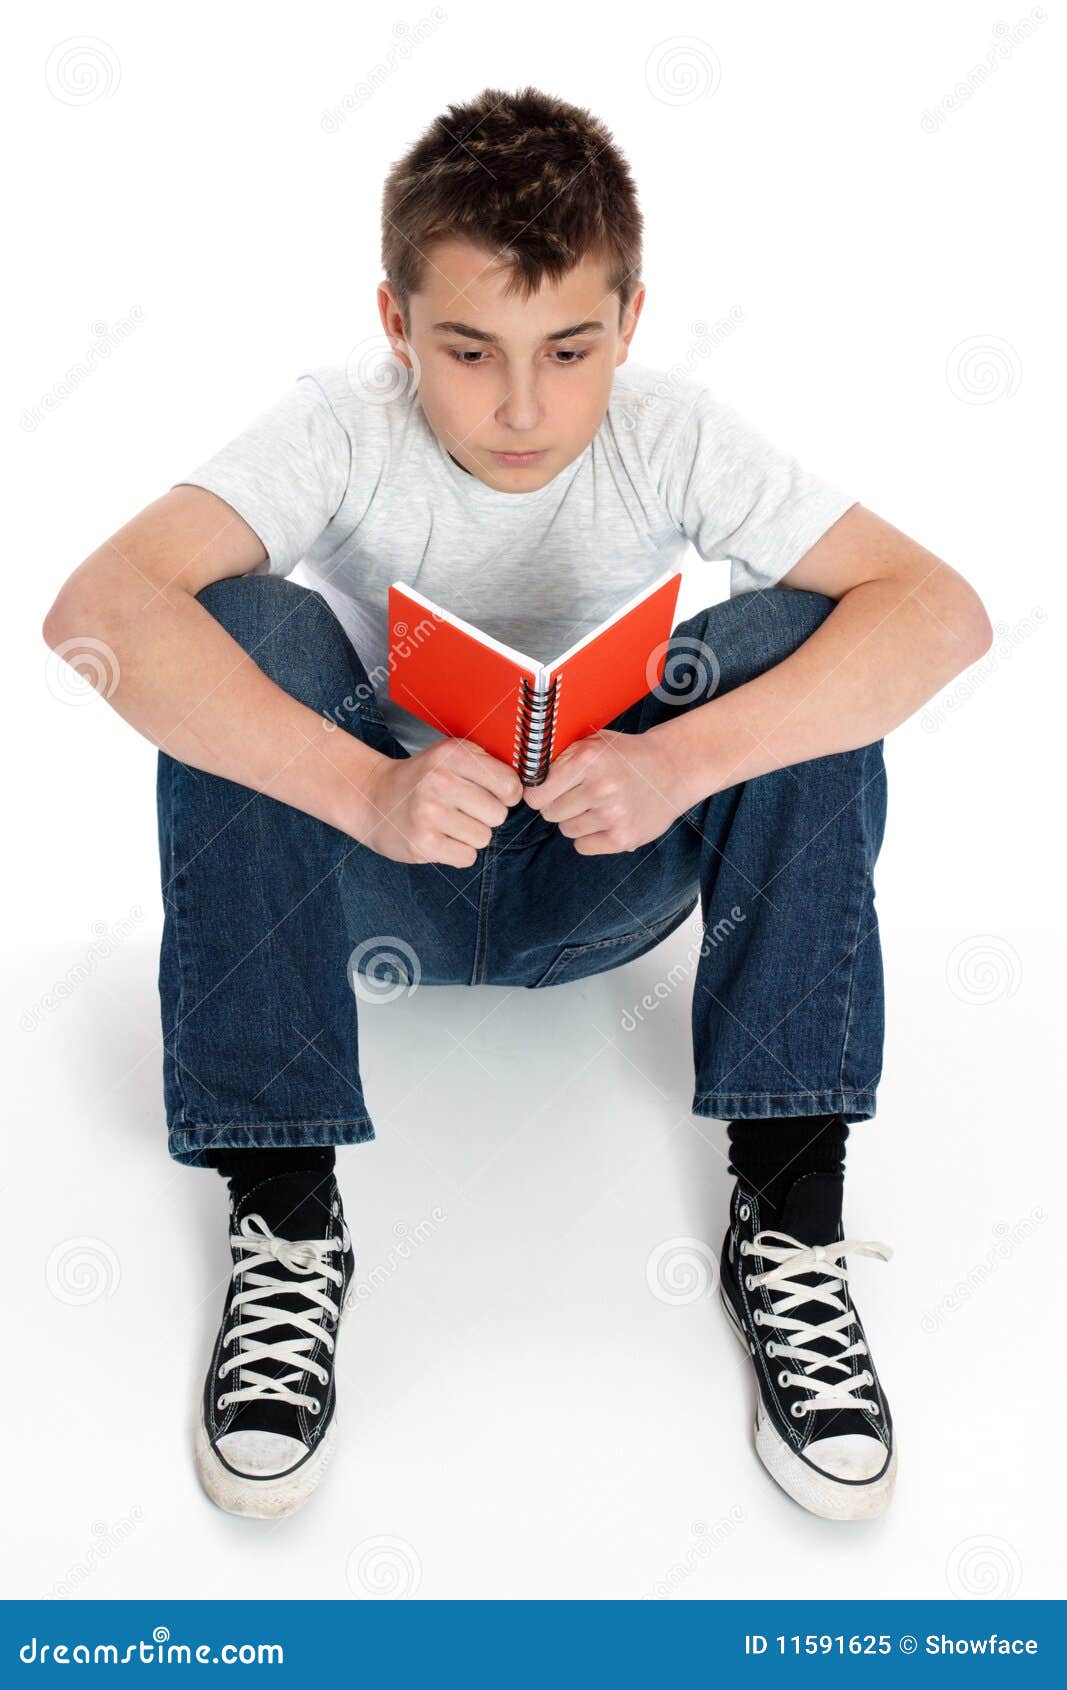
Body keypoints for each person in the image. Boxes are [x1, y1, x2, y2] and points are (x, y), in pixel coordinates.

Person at [43, 85, 992, 1525]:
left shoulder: (672, 433)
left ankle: (788, 1215)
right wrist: (368, 788)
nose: (523, 408)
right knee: (245, 628)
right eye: (467, 350)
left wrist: (672, 763)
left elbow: (944, 613)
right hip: (386, 872)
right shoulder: (341, 432)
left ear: (632, 318)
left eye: (570, 350)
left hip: (599, 879)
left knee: (804, 637)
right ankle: (286, 1219)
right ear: (392, 319)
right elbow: (97, 609)